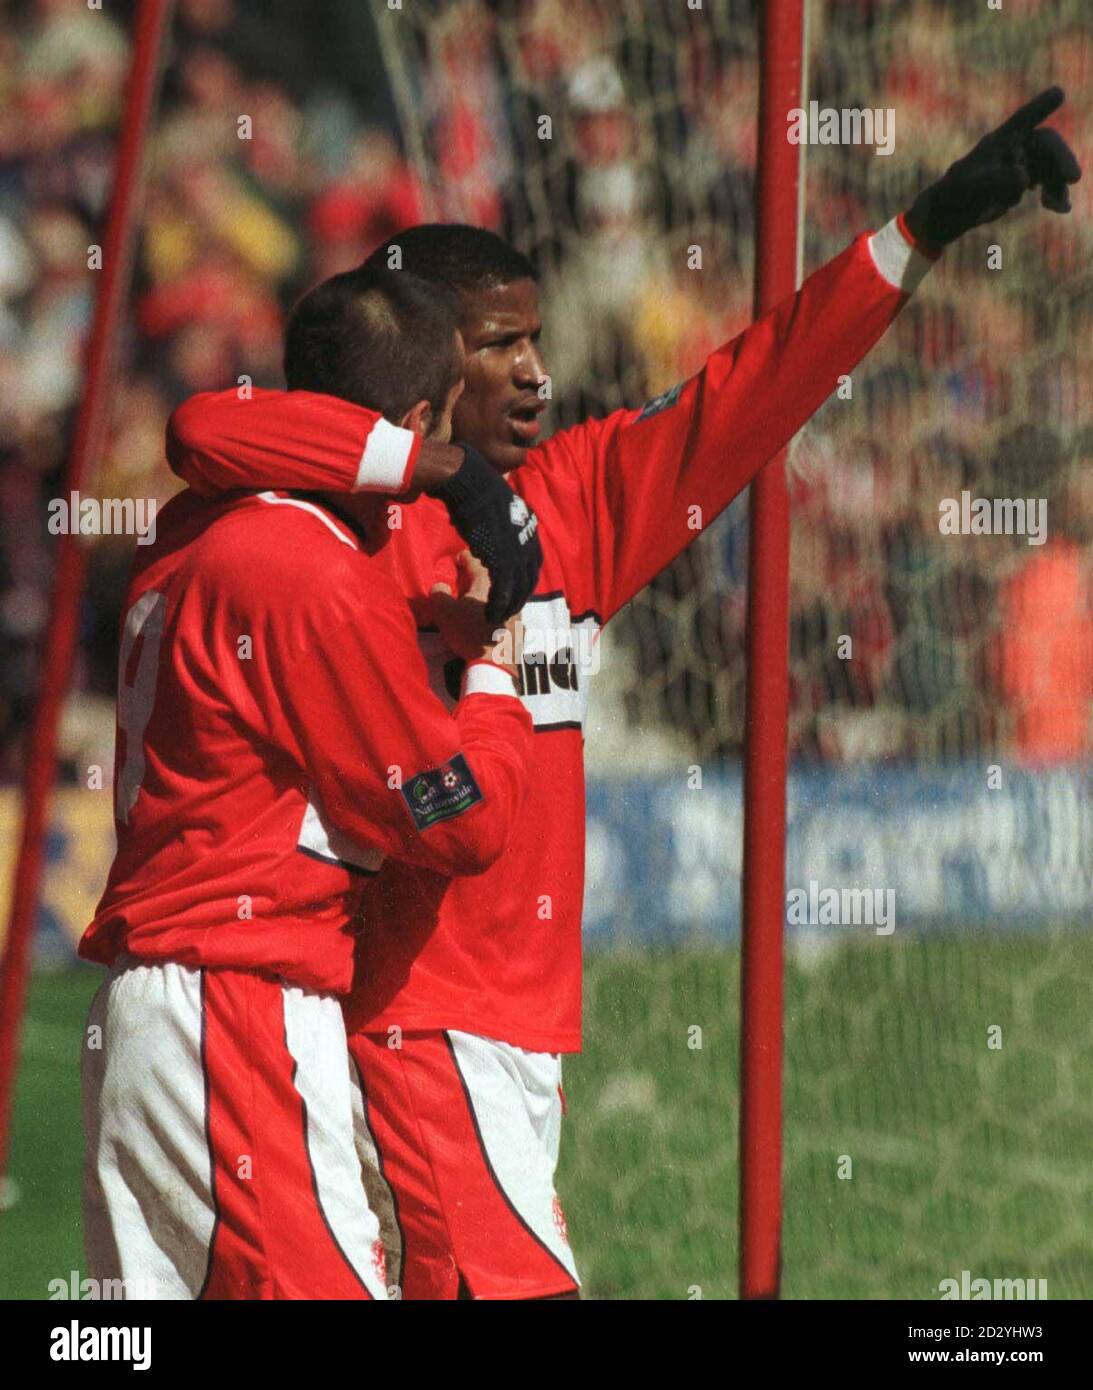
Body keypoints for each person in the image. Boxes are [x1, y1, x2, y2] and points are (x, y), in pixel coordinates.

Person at [165, 91, 1082, 1300]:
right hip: (413, 1026)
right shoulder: (340, 526)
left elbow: (757, 379)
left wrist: (919, 230)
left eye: (536, 338)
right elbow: (207, 429)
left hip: (521, 1033)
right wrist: (426, 472)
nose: (538, 373)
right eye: (500, 345)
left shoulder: (574, 497)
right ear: (432, 363)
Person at [79, 266, 534, 1300]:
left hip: (150, 1015)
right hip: (233, 1014)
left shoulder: (195, 522)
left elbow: (207, 429)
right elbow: (459, 822)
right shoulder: (311, 570)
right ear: (418, 419)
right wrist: (496, 671)